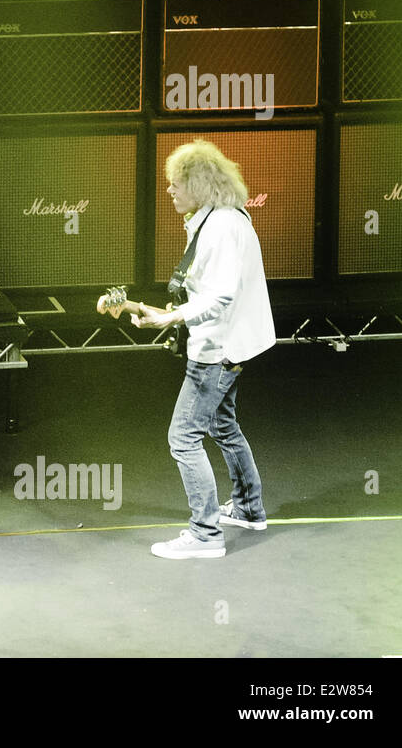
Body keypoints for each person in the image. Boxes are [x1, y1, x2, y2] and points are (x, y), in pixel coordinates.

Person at [132, 140, 275, 560]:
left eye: (176, 184)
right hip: (224, 344)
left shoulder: (222, 227)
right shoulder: (214, 222)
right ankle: (249, 509)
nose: (170, 192)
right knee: (224, 427)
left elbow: (223, 296)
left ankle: (205, 534)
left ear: (199, 185)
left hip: (217, 350)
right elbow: (207, 294)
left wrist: (171, 319)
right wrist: (154, 312)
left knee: (183, 437)